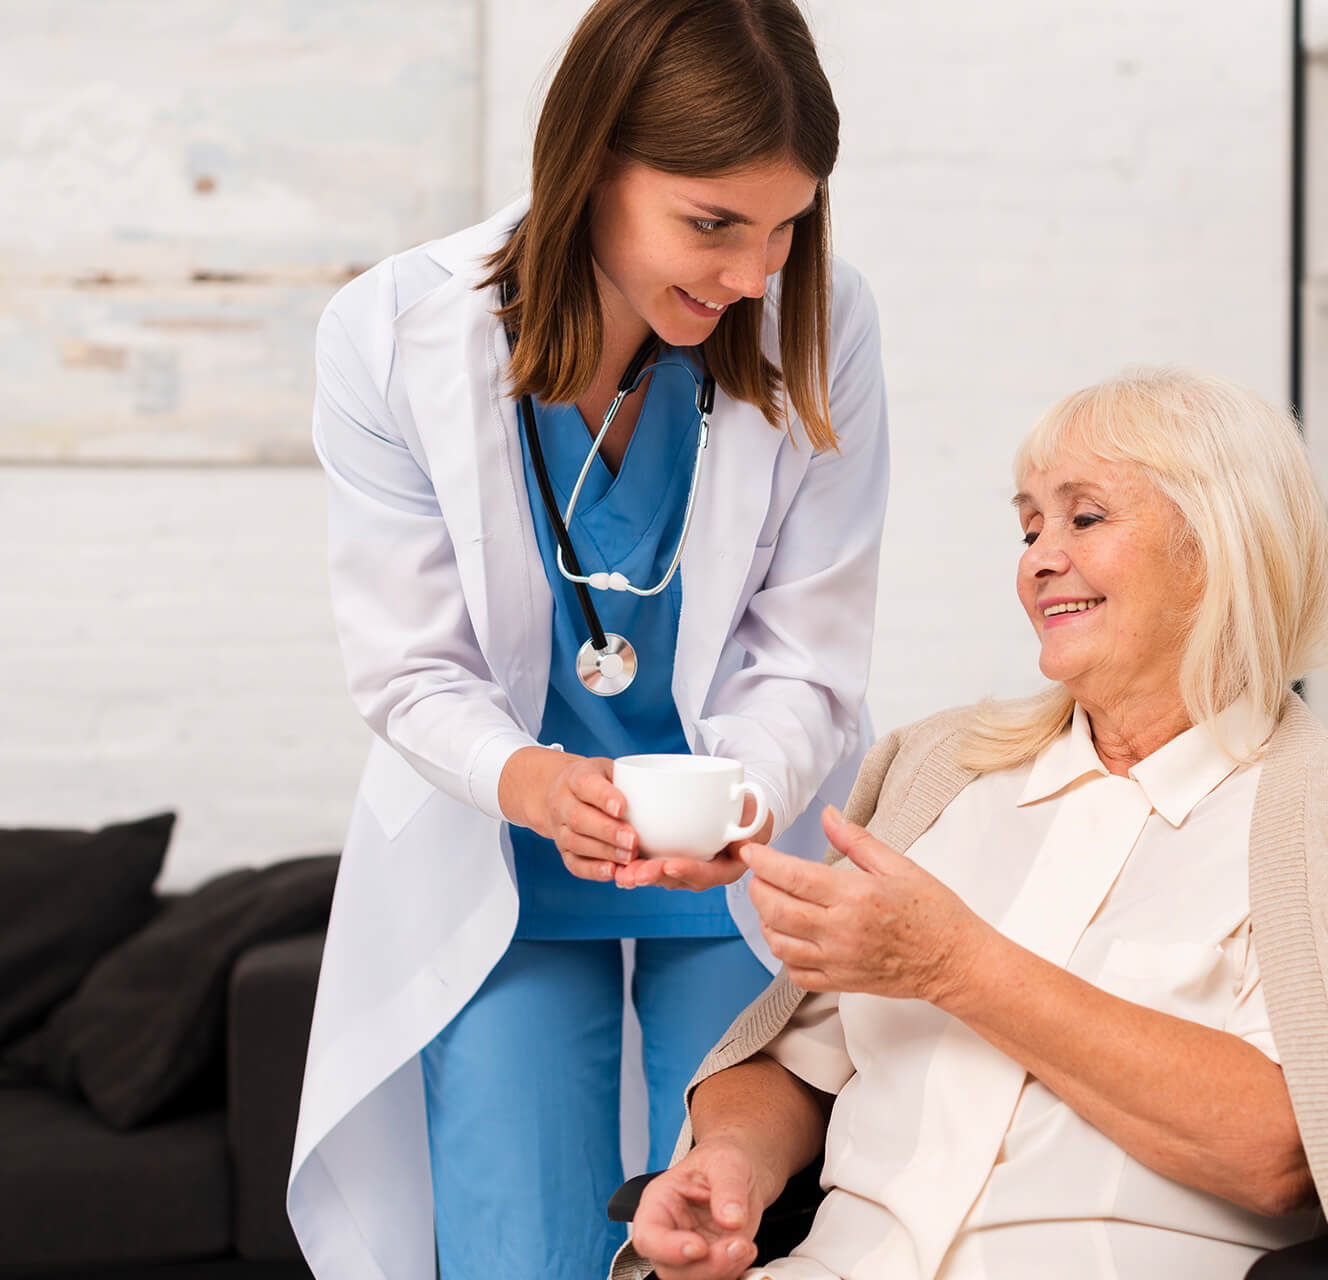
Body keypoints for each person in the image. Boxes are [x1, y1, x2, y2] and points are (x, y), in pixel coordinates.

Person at [616, 369, 1328, 1280]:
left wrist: (956, 964)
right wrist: (732, 1165)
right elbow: (801, 1057)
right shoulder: (939, 770)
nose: (1040, 557)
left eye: (1084, 517)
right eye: (1029, 527)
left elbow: (1282, 1149)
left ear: (1219, 545)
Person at [287, 2, 889, 1277]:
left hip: (731, 855)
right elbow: (410, 662)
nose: (752, 275)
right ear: (590, 165)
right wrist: (529, 780)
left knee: (741, 1230)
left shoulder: (819, 322)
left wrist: (748, 792)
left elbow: (810, 651)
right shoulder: (393, 335)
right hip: (496, 845)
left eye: (784, 226)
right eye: (712, 224)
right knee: (525, 1239)